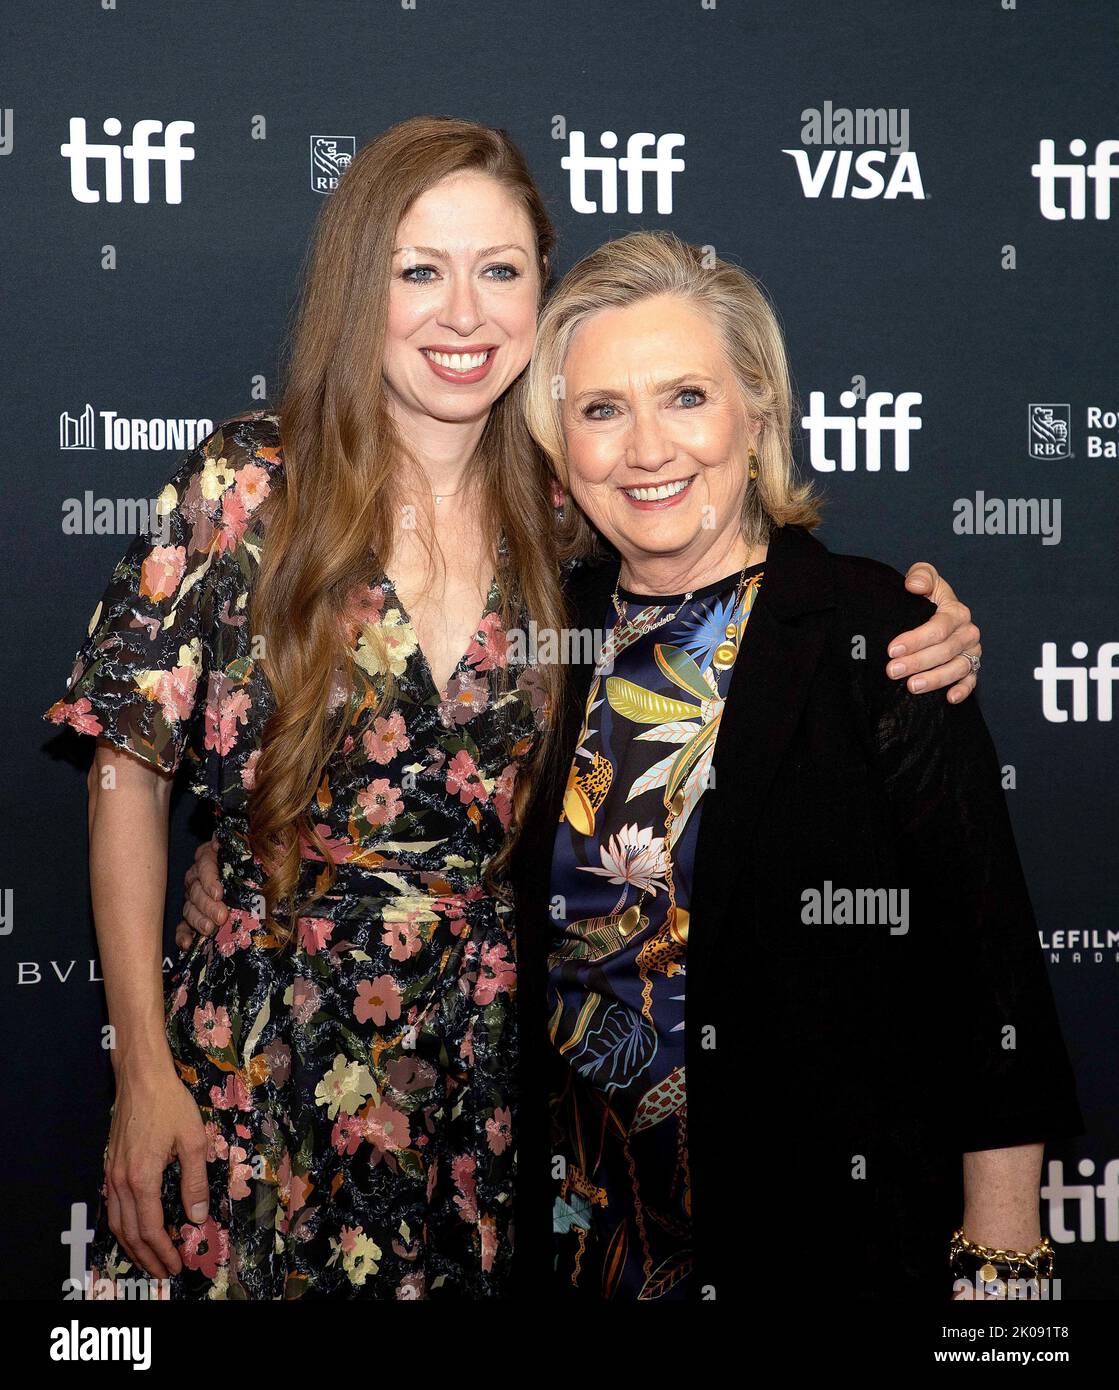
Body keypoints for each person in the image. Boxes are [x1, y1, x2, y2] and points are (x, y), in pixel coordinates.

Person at [65, 116, 977, 1301]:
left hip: (508, 1098)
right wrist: (143, 1069)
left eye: (499, 271)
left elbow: (740, 579)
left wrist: (912, 613)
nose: (463, 313)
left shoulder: (573, 521)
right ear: (359, 286)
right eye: (420, 270)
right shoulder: (247, 485)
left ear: (539, 297)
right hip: (258, 1067)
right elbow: (124, 767)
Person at [506, 230, 1083, 1301]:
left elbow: (989, 977)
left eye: (686, 396)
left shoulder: (884, 635)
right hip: (585, 1256)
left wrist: (1005, 1284)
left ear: (757, 413)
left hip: (831, 1255)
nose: (645, 447)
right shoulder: (538, 640)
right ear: (558, 445)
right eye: (601, 409)